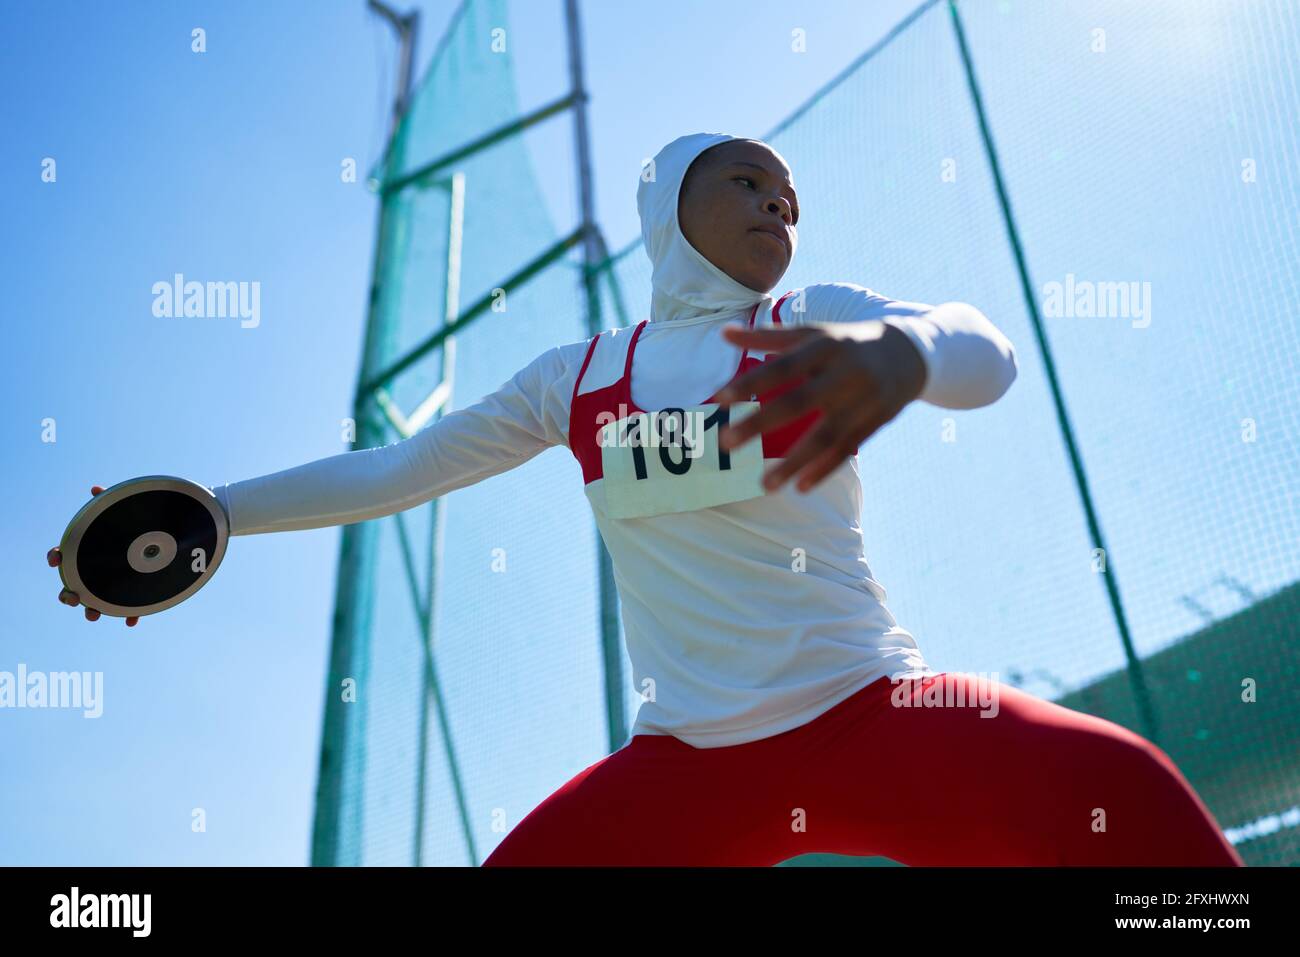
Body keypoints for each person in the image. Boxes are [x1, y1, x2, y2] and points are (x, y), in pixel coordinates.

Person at [48, 132, 1243, 867]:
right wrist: (210, 511)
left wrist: (904, 356)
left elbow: (983, 350)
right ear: (671, 207)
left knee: (1120, 794)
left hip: (873, 715)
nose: (779, 203)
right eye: (745, 181)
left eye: (788, 192)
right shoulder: (576, 378)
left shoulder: (810, 316)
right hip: (688, 768)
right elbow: (395, 474)